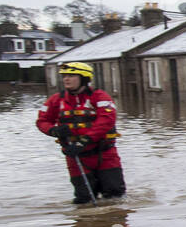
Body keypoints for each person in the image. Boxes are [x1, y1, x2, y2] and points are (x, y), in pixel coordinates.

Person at [36, 61, 126, 204]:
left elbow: (106, 120)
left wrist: (84, 140)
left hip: (104, 154)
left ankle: (112, 223)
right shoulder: (56, 100)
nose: (66, 79)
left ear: (83, 78)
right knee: (84, 199)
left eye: (71, 75)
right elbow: (42, 121)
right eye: (64, 76)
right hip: (76, 156)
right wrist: (53, 130)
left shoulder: (99, 97)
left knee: (115, 195)